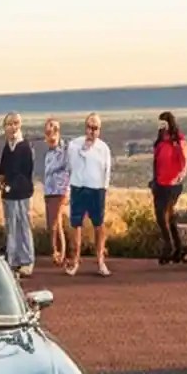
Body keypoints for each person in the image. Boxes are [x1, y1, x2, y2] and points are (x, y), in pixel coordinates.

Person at [64, 112, 112, 277]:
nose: (92, 131)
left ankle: (100, 261)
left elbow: (107, 171)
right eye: (90, 127)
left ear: (99, 130)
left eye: (96, 128)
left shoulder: (104, 148)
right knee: (76, 225)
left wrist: (104, 189)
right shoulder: (73, 145)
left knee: (99, 225)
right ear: (85, 128)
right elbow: (69, 166)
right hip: (78, 188)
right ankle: (75, 261)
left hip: (97, 190)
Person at [0, 111, 35, 277]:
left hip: (21, 193)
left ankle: (26, 260)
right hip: (8, 194)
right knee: (11, 227)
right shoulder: (8, 146)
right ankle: (12, 260)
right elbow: (3, 169)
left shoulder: (24, 146)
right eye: (9, 124)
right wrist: (3, 184)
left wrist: (11, 186)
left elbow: (26, 172)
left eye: (15, 124)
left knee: (22, 226)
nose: (12, 127)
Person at [151, 111, 187, 264]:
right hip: (160, 183)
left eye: (164, 123)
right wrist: (154, 181)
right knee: (168, 217)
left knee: (162, 216)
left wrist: (181, 175)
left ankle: (169, 247)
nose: (161, 127)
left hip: (172, 184)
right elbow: (156, 162)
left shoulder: (178, 140)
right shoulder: (161, 141)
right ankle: (178, 248)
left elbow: (184, 160)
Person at [41, 117, 70, 266]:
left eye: (53, 132)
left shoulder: (65, 150)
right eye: (47, 133)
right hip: (49, 190)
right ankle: (60, 253)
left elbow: (67, 169)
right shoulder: (48, 154)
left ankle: (57, 253)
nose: (51, 136)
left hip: (60, 190)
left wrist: (66, 189)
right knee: (55, 223)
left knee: (54, 223)